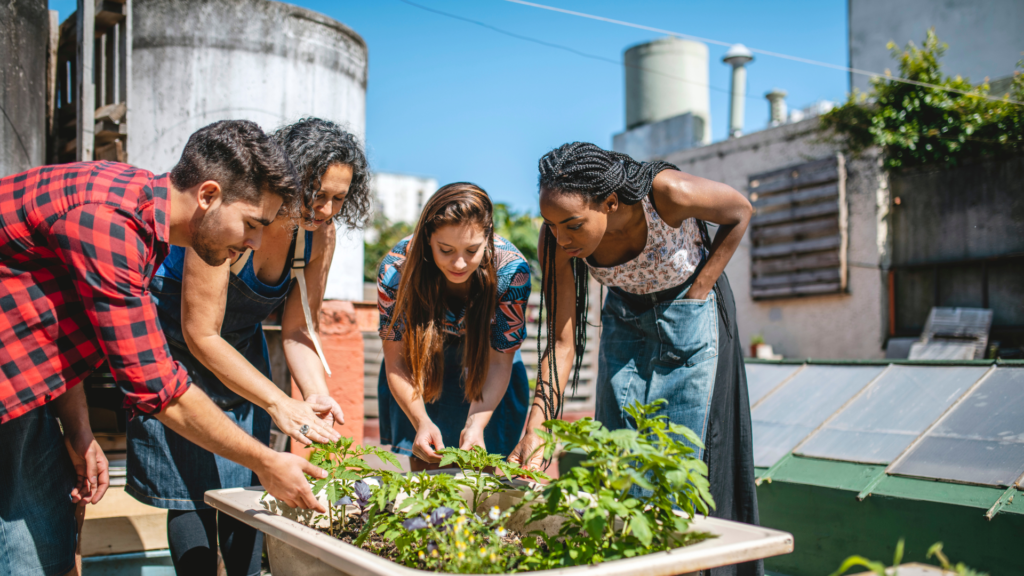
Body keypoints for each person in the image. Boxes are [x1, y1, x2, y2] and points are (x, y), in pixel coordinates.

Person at [0, 120, 328, 576]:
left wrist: (78, 430)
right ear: (208, 195)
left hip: (24, 387)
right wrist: (267, 461)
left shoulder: (140, 212)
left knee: (47, 545)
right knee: (28, 557)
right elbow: (156, 387)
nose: (253, 242)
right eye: (251, 224)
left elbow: (55, 330)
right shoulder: (109, 226)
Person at [128, 118, 372, 576]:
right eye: (316, 192)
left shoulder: (319, 235)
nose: (325, 209)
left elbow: (299, 329)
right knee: (190, 490)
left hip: (242, 358)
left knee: (251, 484)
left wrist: (313, 395)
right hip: (179, 352)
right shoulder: (232, 223)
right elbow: (201, 333)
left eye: (339, 198)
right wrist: (278, 401)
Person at [508, 142, 761, 576]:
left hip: (691, 314)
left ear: (610, 202)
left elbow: (740, 210)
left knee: (685, 459)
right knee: (620, 454)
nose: (560, 238)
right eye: (550, 225)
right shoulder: (558, 242)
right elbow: (562, 343)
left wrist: (702, 287)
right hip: (624, 319)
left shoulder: (669, 194)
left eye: (572, 224)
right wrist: (537, 429)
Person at [377, 183, 532, 470]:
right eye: (445, 249)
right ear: (428, 237)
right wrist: (420, 421)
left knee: (485, 473)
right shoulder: (395, 270)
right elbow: (395, 361)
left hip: (491, 366)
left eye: (472, 250)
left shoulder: (512, 271)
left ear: (488, 237)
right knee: (428, 469)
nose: (459, 263)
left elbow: (500, 362)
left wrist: (476, 425)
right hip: (421, 364)